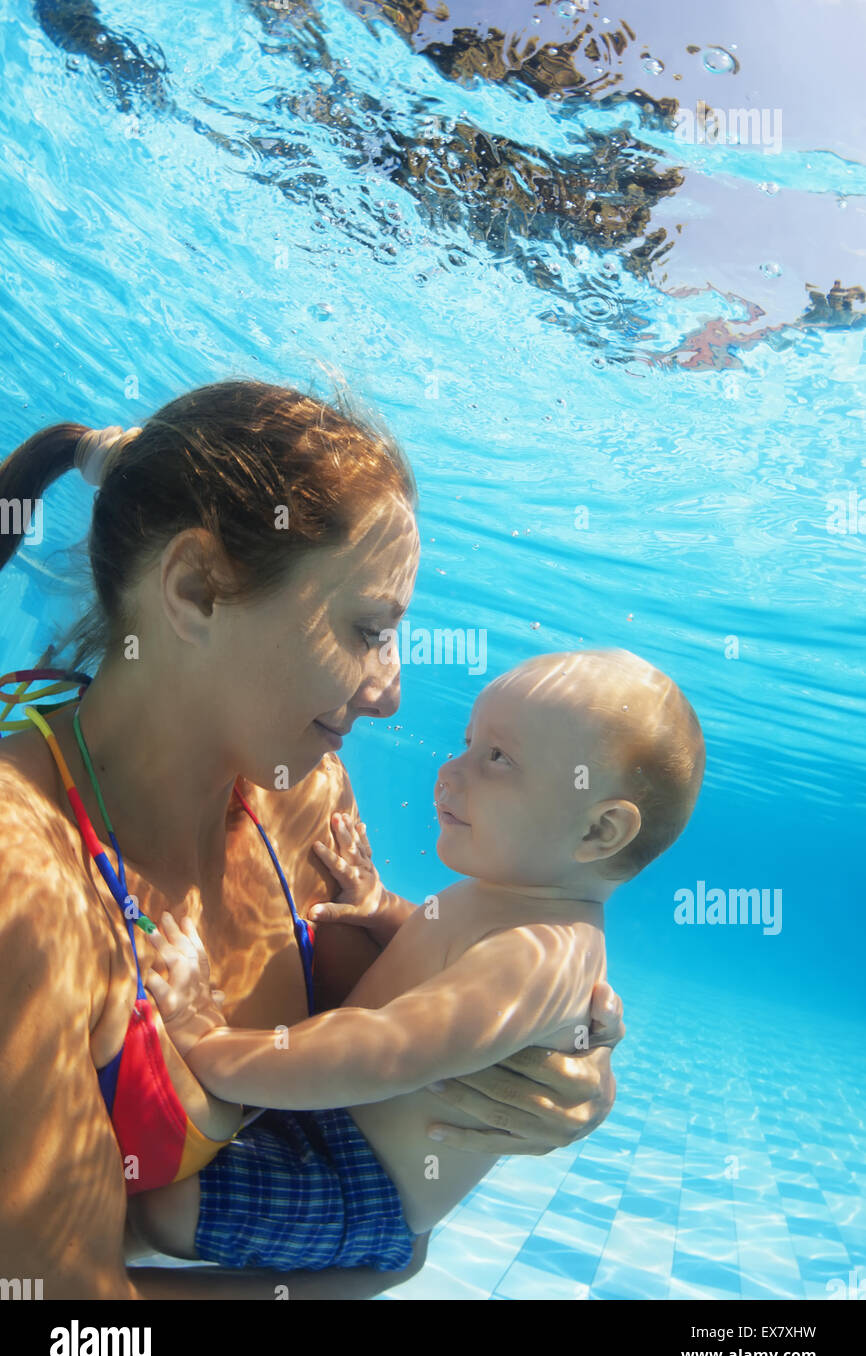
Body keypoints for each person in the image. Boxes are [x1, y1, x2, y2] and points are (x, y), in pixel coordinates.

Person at [0, 380, 625, 1299]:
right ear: (197, 589)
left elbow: (396, 1011)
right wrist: (364, 1275)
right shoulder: (25, 880)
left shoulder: (297, 792)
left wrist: (563, 1053)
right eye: (369, 629)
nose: (390, 691)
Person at [135, 648, 703, 1273]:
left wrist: (208, 1041)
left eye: (498, 758)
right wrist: (380, 908)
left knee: (164, 1211)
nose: (450, 771)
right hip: (330, 1126)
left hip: (353, 1183)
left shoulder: (545, 953)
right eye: (467, 742)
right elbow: (444, 954)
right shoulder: (513, 903)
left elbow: (387, 1048)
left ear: (600, 832)